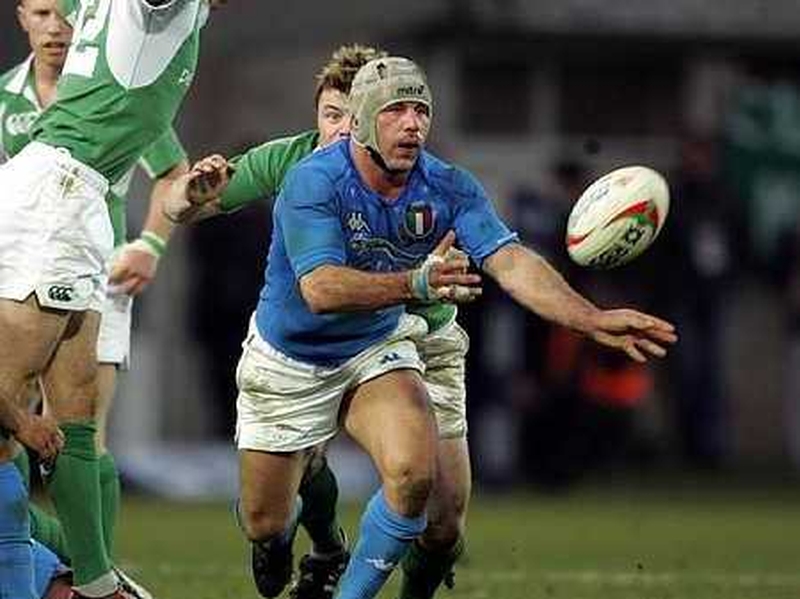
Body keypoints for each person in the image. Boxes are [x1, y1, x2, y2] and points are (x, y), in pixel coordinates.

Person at [173, 56, 676, 599]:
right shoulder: (309, 177)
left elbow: (509, 260)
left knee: (423, 488)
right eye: (396, 111)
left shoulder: (447, 186)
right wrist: (418, 283)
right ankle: (302, 535)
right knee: (263, 520)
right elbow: (321, 291)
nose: (413, 123)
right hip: (290, 357)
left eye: (421, 111)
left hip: (380, 343)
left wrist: (590, 318)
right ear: (363, 121)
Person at [167, 43, 479, 599]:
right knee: (267, 513)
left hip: (417, 333)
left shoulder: (421, 172)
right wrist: (188, 196)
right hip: (315, 337)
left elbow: (490, 244)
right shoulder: (297, 163)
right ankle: (324, 543)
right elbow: (182, 208)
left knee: (443, 517)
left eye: (350, 116)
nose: (339, 129)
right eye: (330, 115)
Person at [0, 1, 229, 597]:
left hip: (83, 204)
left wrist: (164, 222)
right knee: (8, 414)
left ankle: (98, 586)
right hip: (55, 194)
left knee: (76, 419)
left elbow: (168, 177)